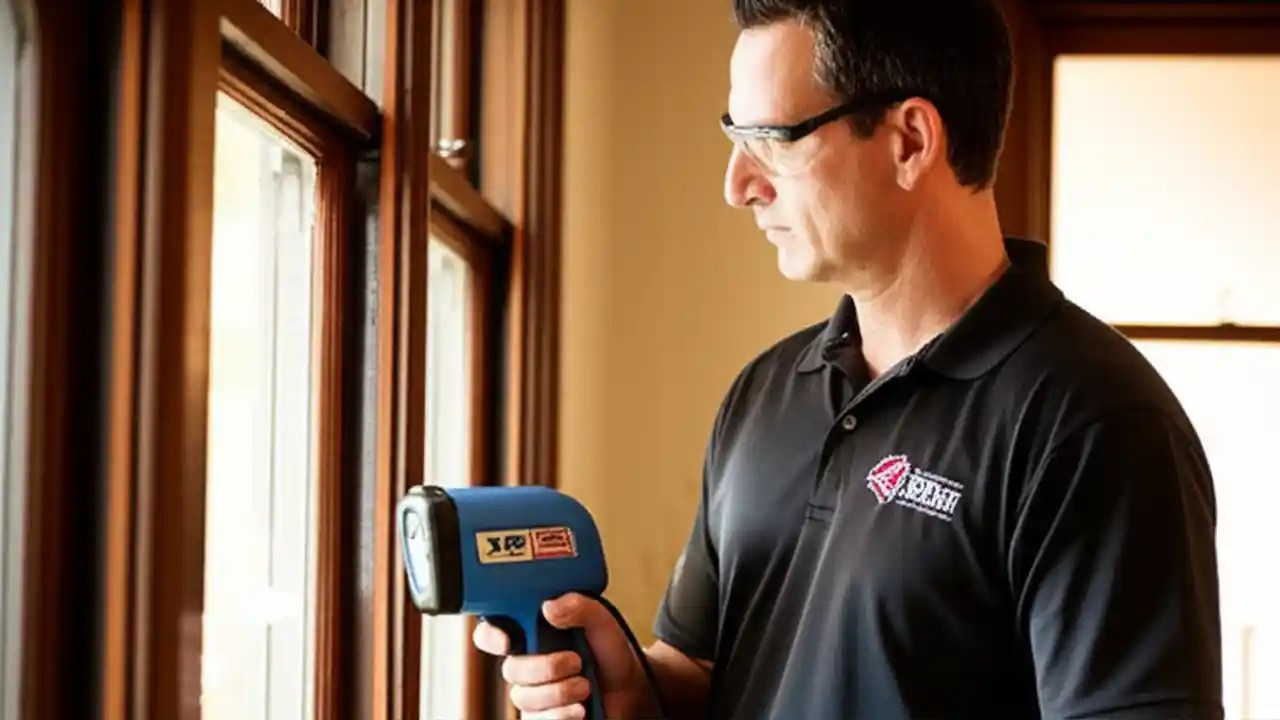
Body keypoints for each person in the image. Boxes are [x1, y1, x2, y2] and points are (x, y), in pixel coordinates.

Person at [474, 1, 1224, 717]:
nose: (738, 185)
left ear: (910, 141)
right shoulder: (764, 392)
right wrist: (632, 685)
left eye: (772, 140)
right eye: (734, 138)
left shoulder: (1096, 420)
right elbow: (707, 671)